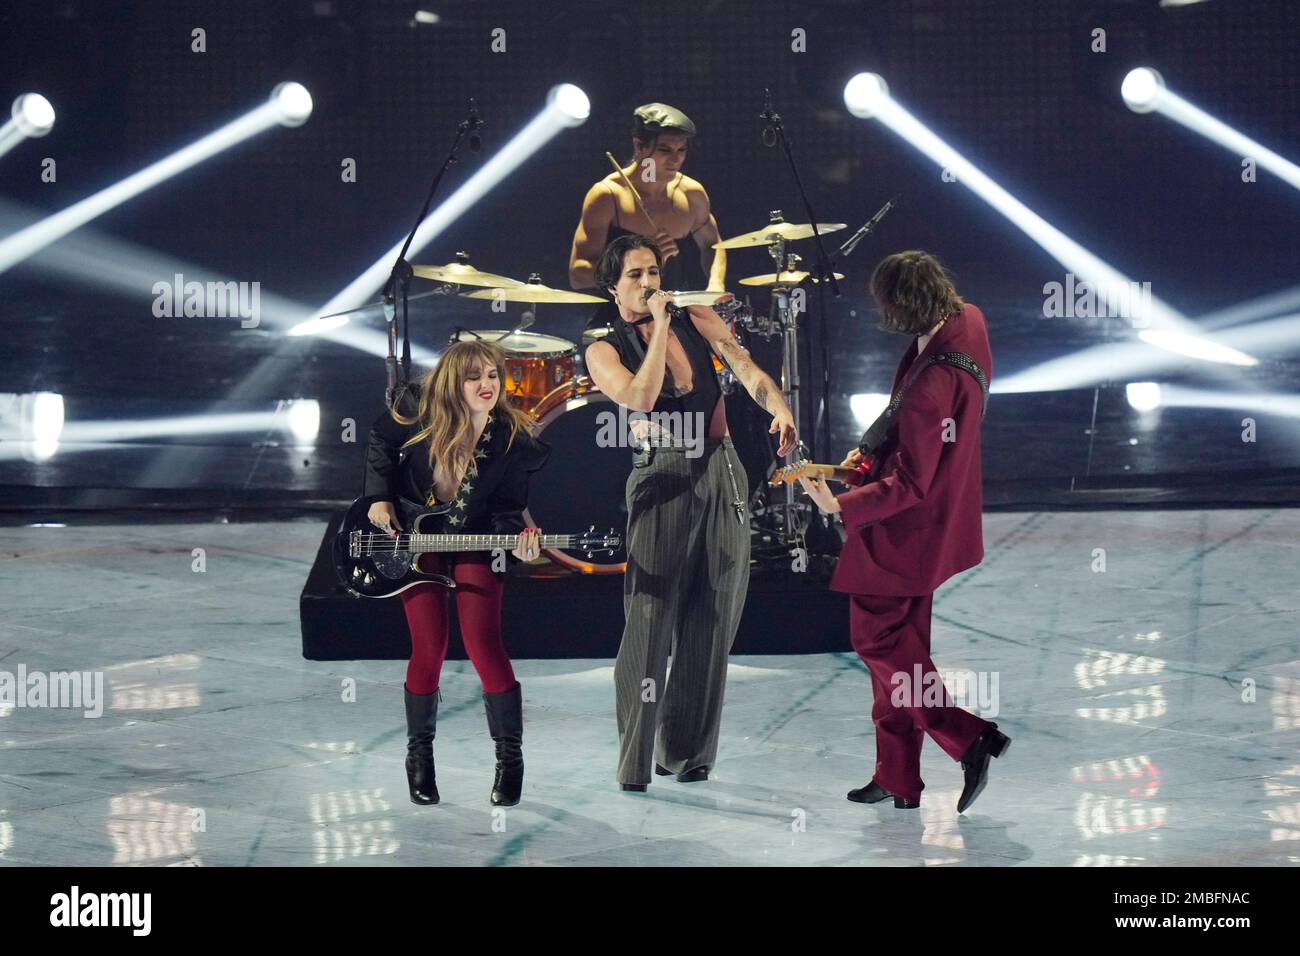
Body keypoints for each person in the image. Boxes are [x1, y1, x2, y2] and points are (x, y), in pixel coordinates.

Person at [798, 250, 1010, 814]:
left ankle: (968, 737)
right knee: (900, 654)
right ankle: (897, 776)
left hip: (904, 535)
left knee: (877, 644)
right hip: (941, 525)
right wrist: (868, 452)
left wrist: (837, 504)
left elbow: (911, 484)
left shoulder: (929, 393)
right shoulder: (969, 320)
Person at [584, 233, 797, 791]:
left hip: (720, 463)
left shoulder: (695, 317)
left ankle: (686, 753)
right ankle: (635, 762)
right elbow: (639, 397)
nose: (649, 283)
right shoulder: (602, 346)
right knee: (651, 616)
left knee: (715, 608)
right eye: (635, 275)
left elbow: (744, 366)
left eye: (653, 271)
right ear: (613, 287)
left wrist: (776, 404)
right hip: (663, 471)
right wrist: (653, 330)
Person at [363, 339, 549, 808]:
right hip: (416, 536)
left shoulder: (513, 438)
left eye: (492, 375)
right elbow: (380, 441)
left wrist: (519, 545)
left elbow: (508, 508)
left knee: (484, 643)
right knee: (430, 646)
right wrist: (378, 497)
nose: (487, 385)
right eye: (474, 377)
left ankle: (510, 759)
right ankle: (419, 757)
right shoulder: (416, 408)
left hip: (474, 537)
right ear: (453, 382)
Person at [569, 102, 725, 295]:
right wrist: (638, 262)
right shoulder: (608, 195)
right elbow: (578, 275)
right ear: (639, 145)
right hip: (621, 315)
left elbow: (713, 245)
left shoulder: (691, 193)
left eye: (681, 150)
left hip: (675, 312)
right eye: (665, 150)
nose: (676, 160)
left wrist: (716, 284)